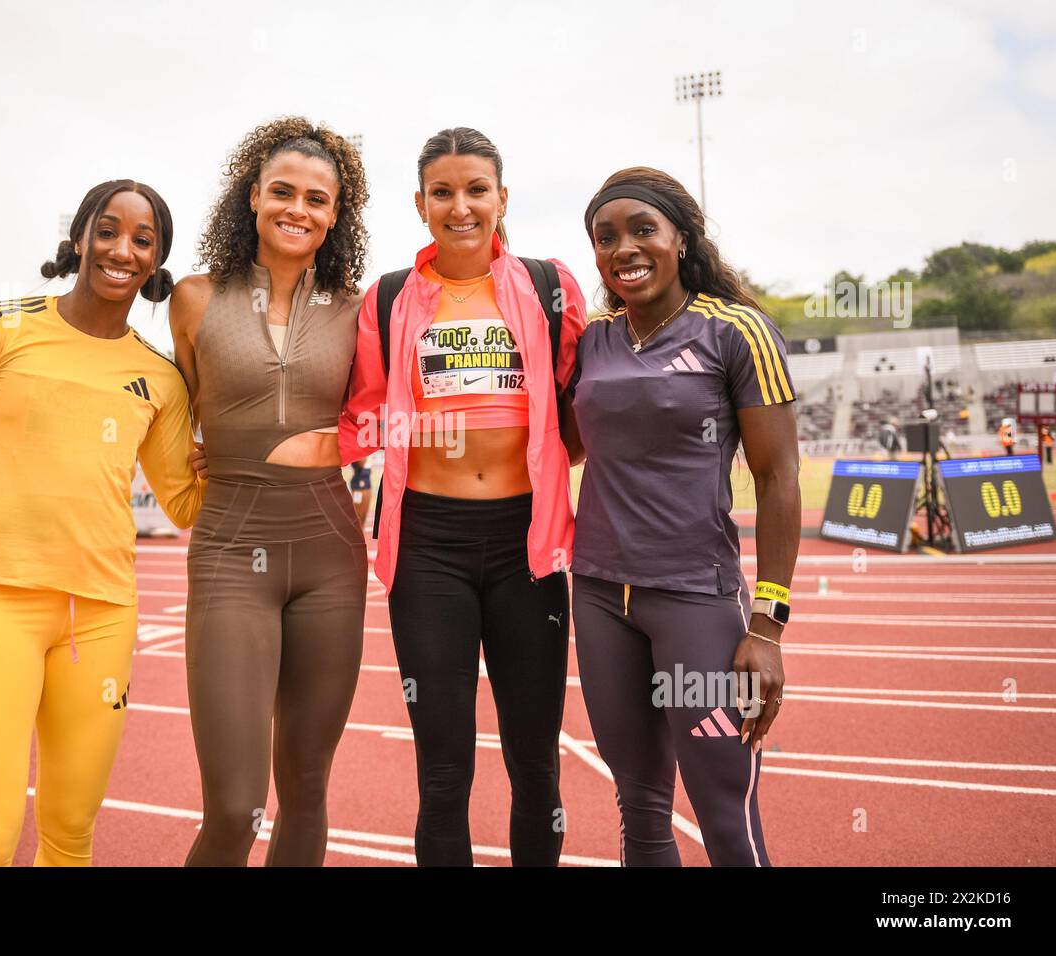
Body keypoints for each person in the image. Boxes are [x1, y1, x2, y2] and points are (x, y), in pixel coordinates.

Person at [0, 179, 201, 867]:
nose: (122, 249)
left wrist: (243, 445)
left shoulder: (158, 378)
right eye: (108, 229)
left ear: (157, 263)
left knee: (70, 837)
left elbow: (185, 504)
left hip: (101, 618)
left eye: (143, 239)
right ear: (79, 238)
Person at [340, 127, 587, 866]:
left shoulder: (550, 287)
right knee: (443, 774)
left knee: (536, 769)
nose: (460, 206)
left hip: (527, 550)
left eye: (476, 189)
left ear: (502, 198)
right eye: (442, 192)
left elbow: (580, 407)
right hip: (428, 553)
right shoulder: (386, 300)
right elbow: (363, 415)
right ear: (420, 204)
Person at [565, 167, 800, 866]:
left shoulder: (737, 331)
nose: (624, 249)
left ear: (681, 239)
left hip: (694, 598)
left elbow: (778, 478)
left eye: (643, 230)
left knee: (725, 814)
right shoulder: (594, 338)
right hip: (600, 594)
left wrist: (768, 624)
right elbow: (563, 445)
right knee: (638, 808)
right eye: (606, 238)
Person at [171, 117, 370, 867]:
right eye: (282, 191)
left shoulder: (359, 309)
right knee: (233, 805)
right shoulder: (193, 300)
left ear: (335, 215)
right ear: (251, 196)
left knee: (307, 789)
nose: (298, 209)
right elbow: (180, 415)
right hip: (229, 553)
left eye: (317, 199)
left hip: (329, 557)